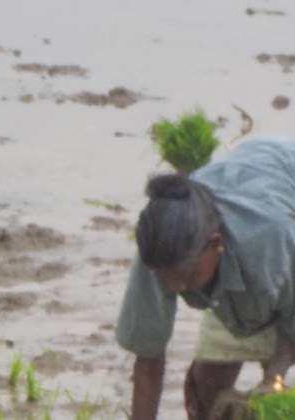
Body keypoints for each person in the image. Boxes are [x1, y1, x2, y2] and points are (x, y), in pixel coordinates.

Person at [116, 139, 295, 420]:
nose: (176, 287)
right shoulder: (159, 248)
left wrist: (274, 378)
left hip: (280, 229)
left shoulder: (269, 240)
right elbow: (148, 356)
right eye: (167, 279)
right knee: (206, 390)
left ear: (215, 244)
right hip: (243, 260)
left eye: (189, 276)